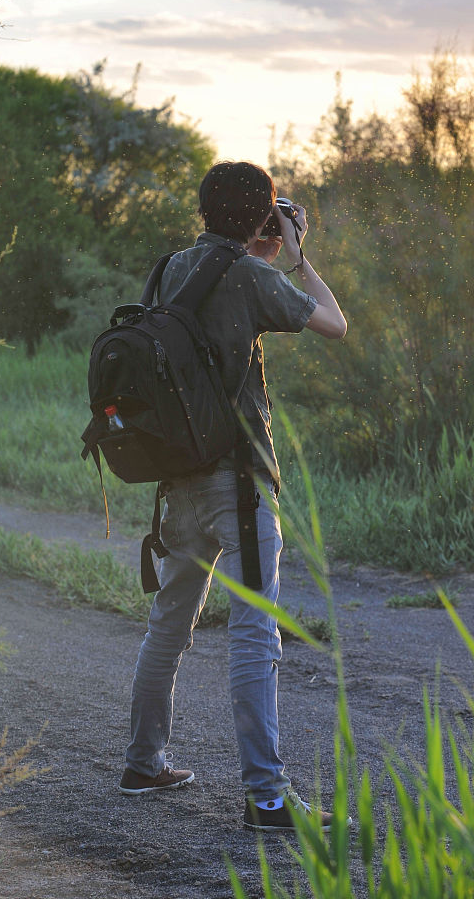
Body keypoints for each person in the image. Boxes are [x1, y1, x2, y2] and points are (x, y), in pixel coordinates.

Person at [117, 160, 347, 832]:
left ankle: (143, 762)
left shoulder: (167, 270)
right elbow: (335, 325)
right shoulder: (252, 277)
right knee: (254, 636)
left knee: (169, 626)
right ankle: (268, 797)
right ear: (263, 216)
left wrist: (258, 247)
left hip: (174, 482)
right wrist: (297, 260)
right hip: (240, 486)